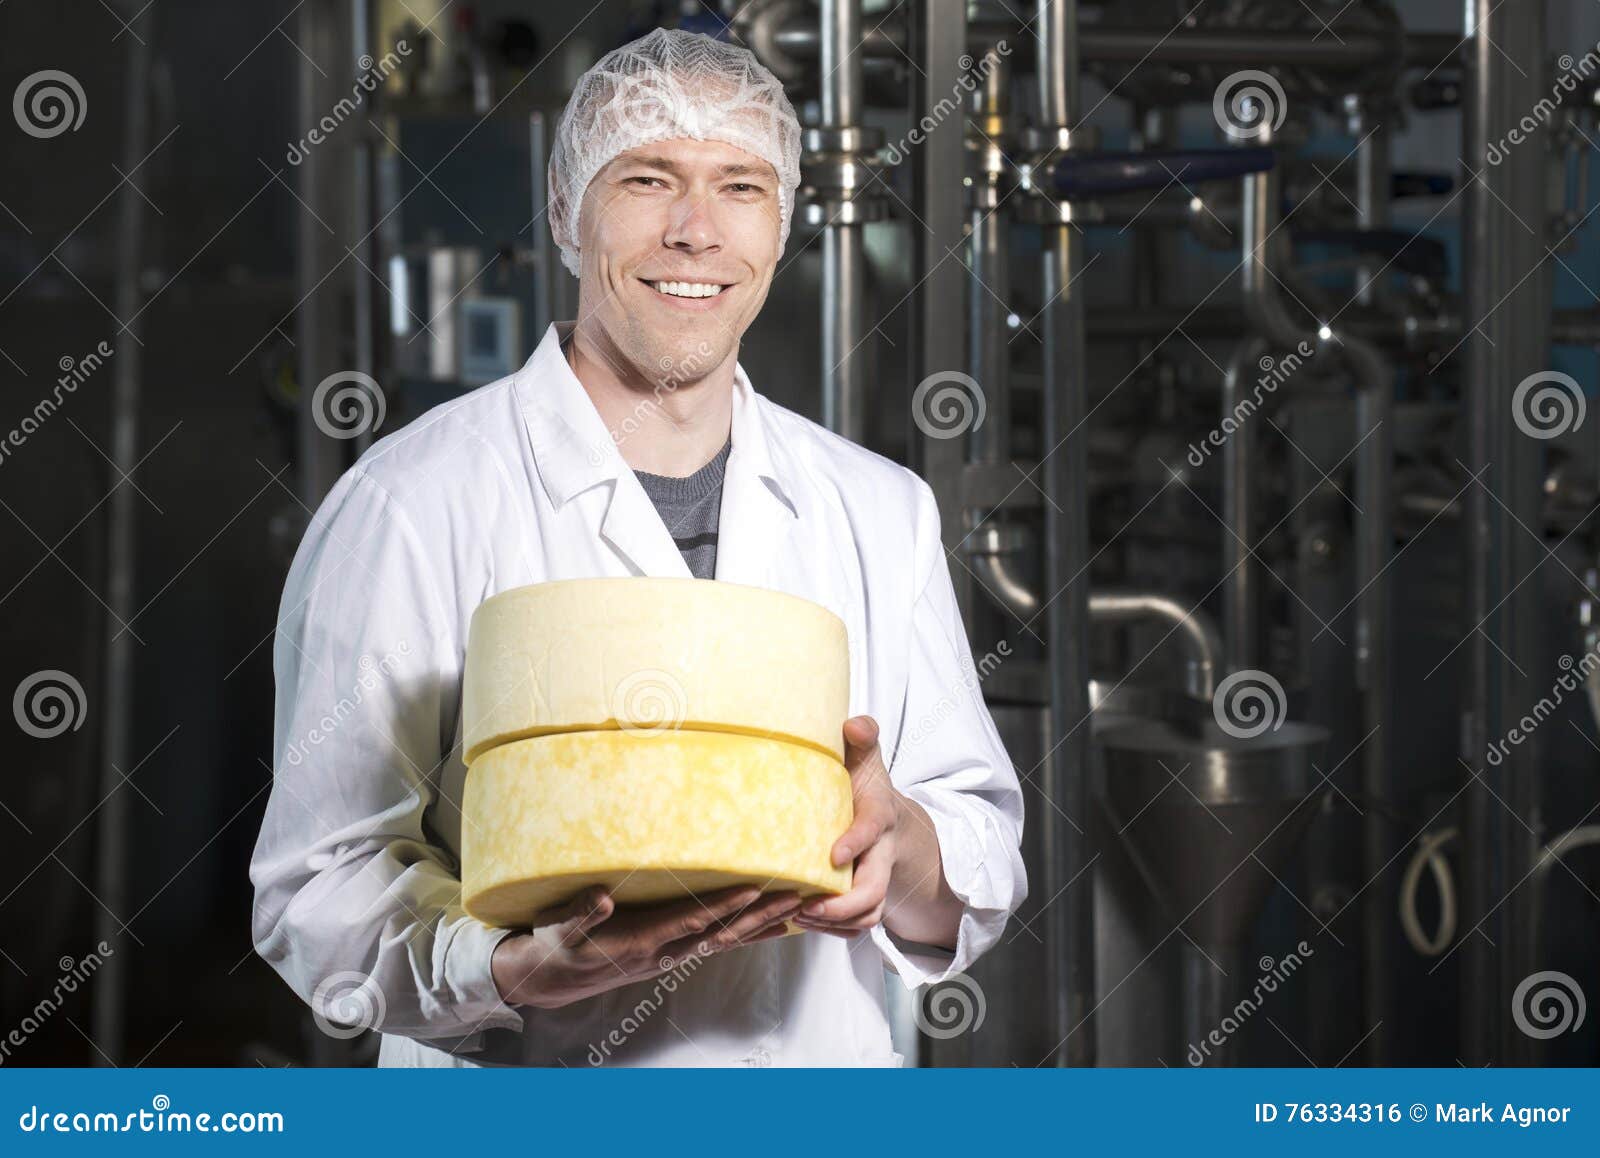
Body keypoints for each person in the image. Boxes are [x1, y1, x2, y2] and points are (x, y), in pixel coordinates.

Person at [250, 26, 1026, 1067]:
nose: (695, 232)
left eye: (740, 187)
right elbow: (315, 886)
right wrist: (501, 965)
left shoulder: (878, 509)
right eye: (649, 179)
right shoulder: (411, 502)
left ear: (783, 223)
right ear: (568, 212)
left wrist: (907, 853)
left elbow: (972, 857)